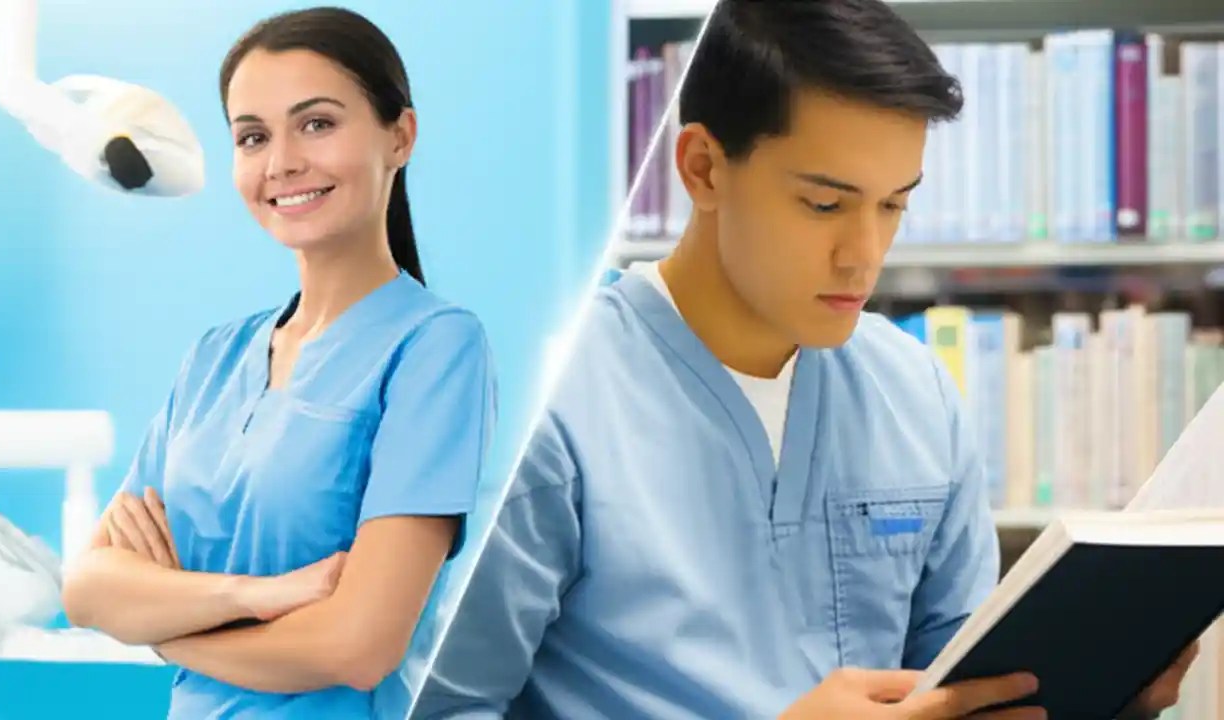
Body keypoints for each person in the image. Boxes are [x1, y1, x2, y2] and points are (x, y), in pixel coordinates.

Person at [413, 1, 1194, 719]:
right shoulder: (542, 407)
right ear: (702, 167)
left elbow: (966, 691)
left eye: (894, 204)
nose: (865, 254)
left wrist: (1097, 695)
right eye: (825, 204)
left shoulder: (915, 392)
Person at [60, 7, 496, 719]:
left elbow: (358, 647)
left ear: (400, 136)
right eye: (253, 137)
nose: (282, 162)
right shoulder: (214, 358)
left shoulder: (435, 348)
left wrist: (164, 629)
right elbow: (86, 589)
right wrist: (254, 597)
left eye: (317, 123)